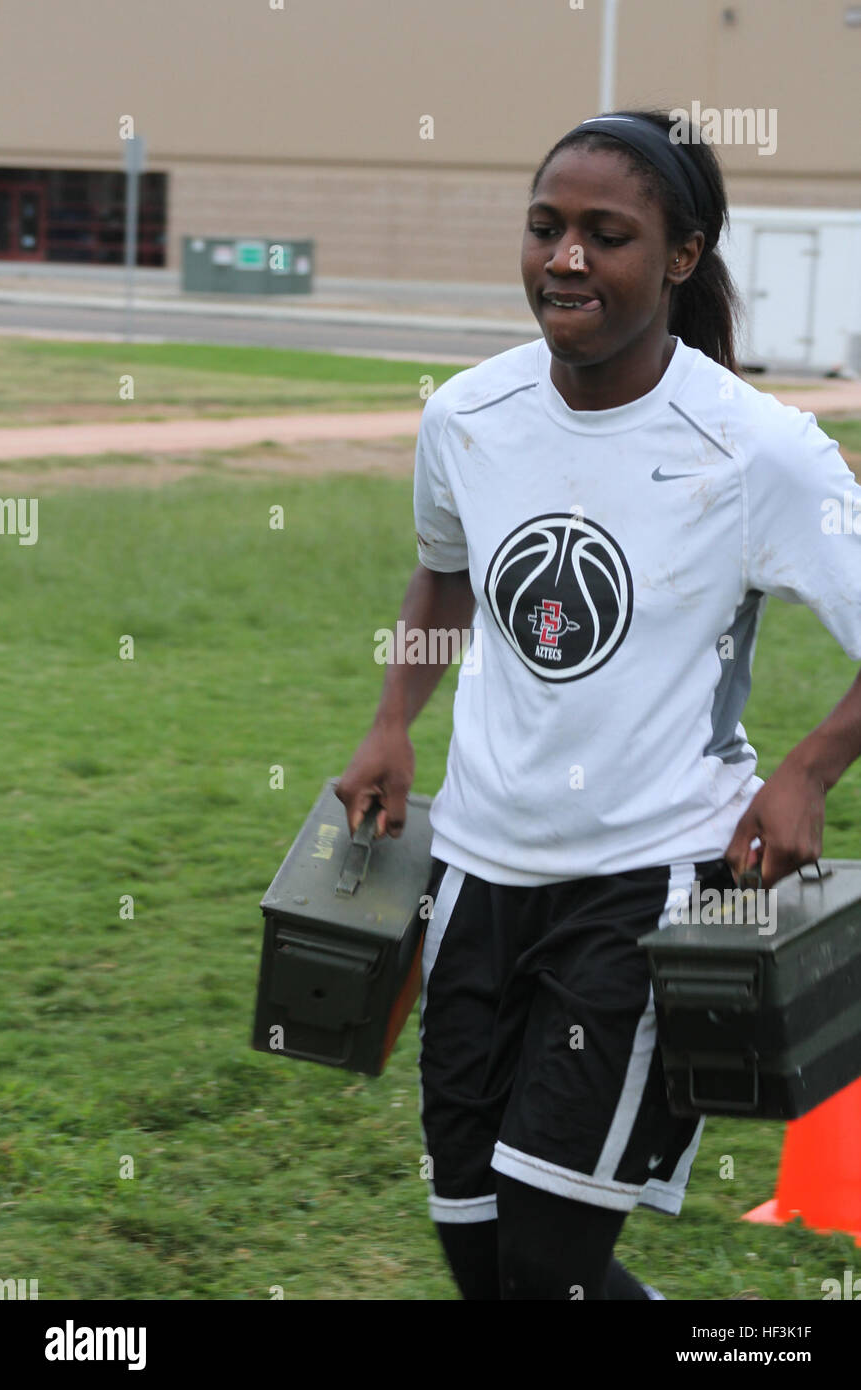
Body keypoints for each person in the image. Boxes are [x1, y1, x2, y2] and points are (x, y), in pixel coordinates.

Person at [335, 108, 861, 1300]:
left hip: (651, 887)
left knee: (549, 1259)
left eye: (603, 234)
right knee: (477, 1249)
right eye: (544, 228)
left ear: (678, 258)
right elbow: (446, 570)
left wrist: (805, 771)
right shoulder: (466, 414)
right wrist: (389, 721)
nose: (563, 258)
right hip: (473, 875)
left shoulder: (755, 451)